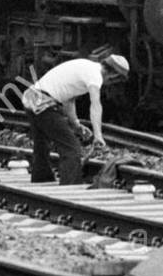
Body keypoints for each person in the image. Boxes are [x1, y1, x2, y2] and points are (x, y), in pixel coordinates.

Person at [22, 53, 130, 185]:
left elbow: (69, 100)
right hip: (43, 104)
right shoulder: (95, 76)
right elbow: (95, 105)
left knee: (42, 144)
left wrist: (76, 125)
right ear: (114, 75)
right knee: (71, 148)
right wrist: (98, 135)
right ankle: (70, 186)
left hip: (31, 98)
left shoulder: (86, 65)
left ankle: (41, 180)